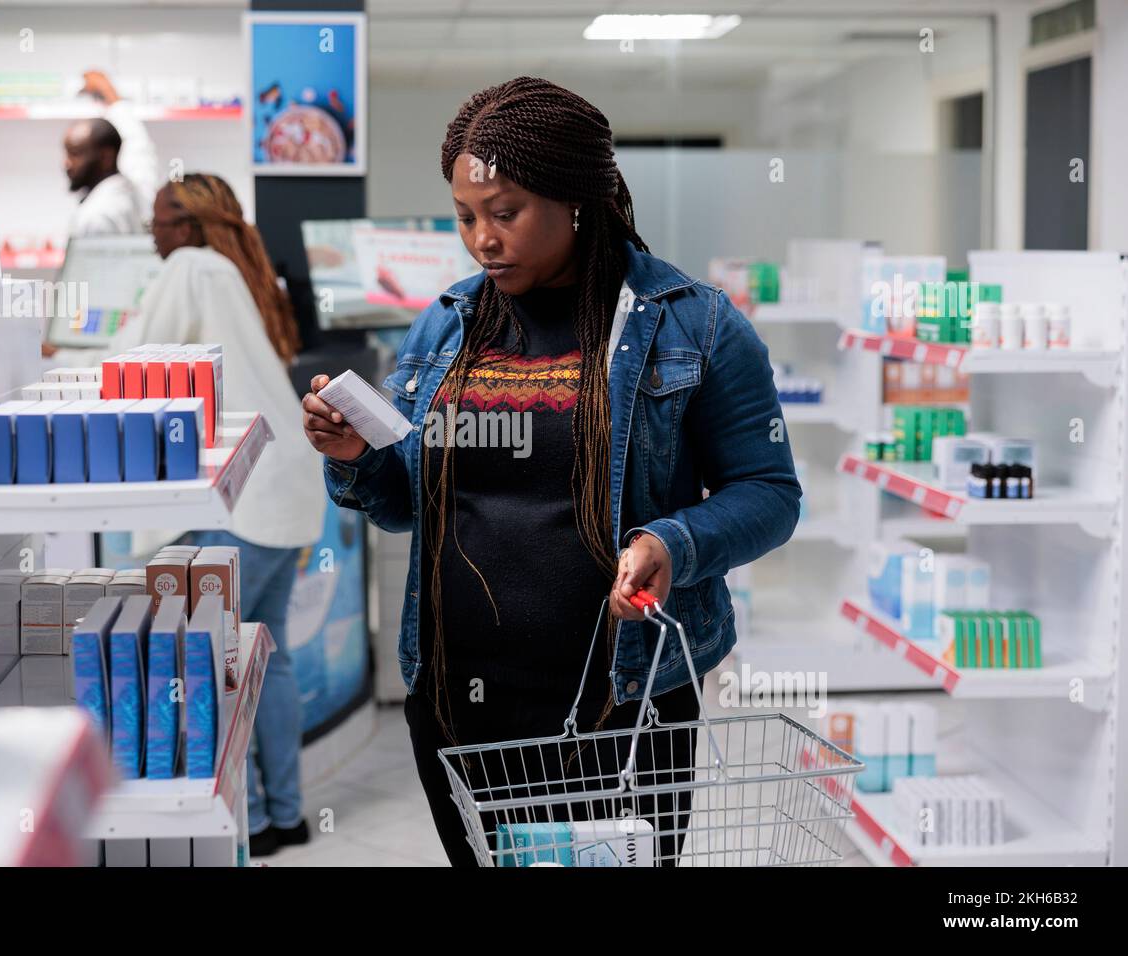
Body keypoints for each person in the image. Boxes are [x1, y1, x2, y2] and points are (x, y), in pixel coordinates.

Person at [302, 77, 801, 867]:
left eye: (506, 214)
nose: (483, 240)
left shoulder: (694, 325)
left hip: (625, 706)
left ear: (577, 198)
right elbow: (405, 504)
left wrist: (672, 543)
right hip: (458, 704)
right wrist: (355, 458)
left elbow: (770, 494)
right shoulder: (446, 323)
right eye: (466, 217)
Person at [119, 173, 325, 856]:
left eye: (162, 217)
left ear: (190, 224)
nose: (153, 230)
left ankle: (256, 823)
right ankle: (287, 815)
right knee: (271, 659)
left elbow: (133, 364)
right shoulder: (244, 274)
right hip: (285, 485)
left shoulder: (190, 267)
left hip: (241, 498)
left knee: (217, 664)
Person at [63, 71, 158, 238]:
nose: (67, 163)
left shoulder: (97, 218)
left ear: (106, 157)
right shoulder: (135, 191)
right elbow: (139, 150)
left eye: (75, 154)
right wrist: (109, 92)